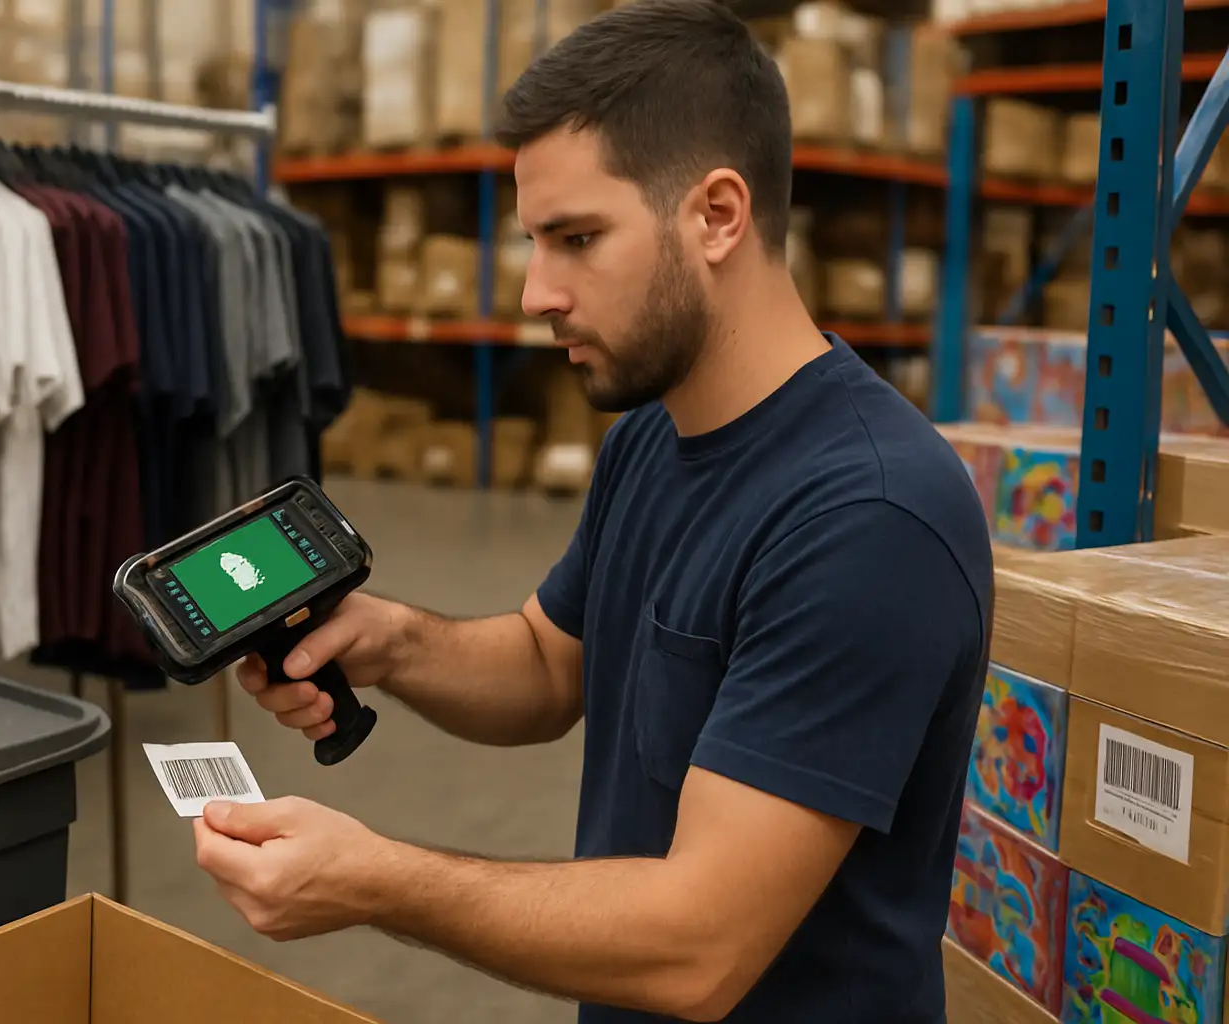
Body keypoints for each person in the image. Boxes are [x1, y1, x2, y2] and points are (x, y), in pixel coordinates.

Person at [189, 1, 994, 1021]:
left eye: (577, 239)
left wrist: (375, 878)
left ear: (717, 215)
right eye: (534, 241)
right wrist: (387, 639)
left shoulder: (868, 517)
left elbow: (700, 946)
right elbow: (548, 662)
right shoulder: (652, 440)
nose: (535, 292)